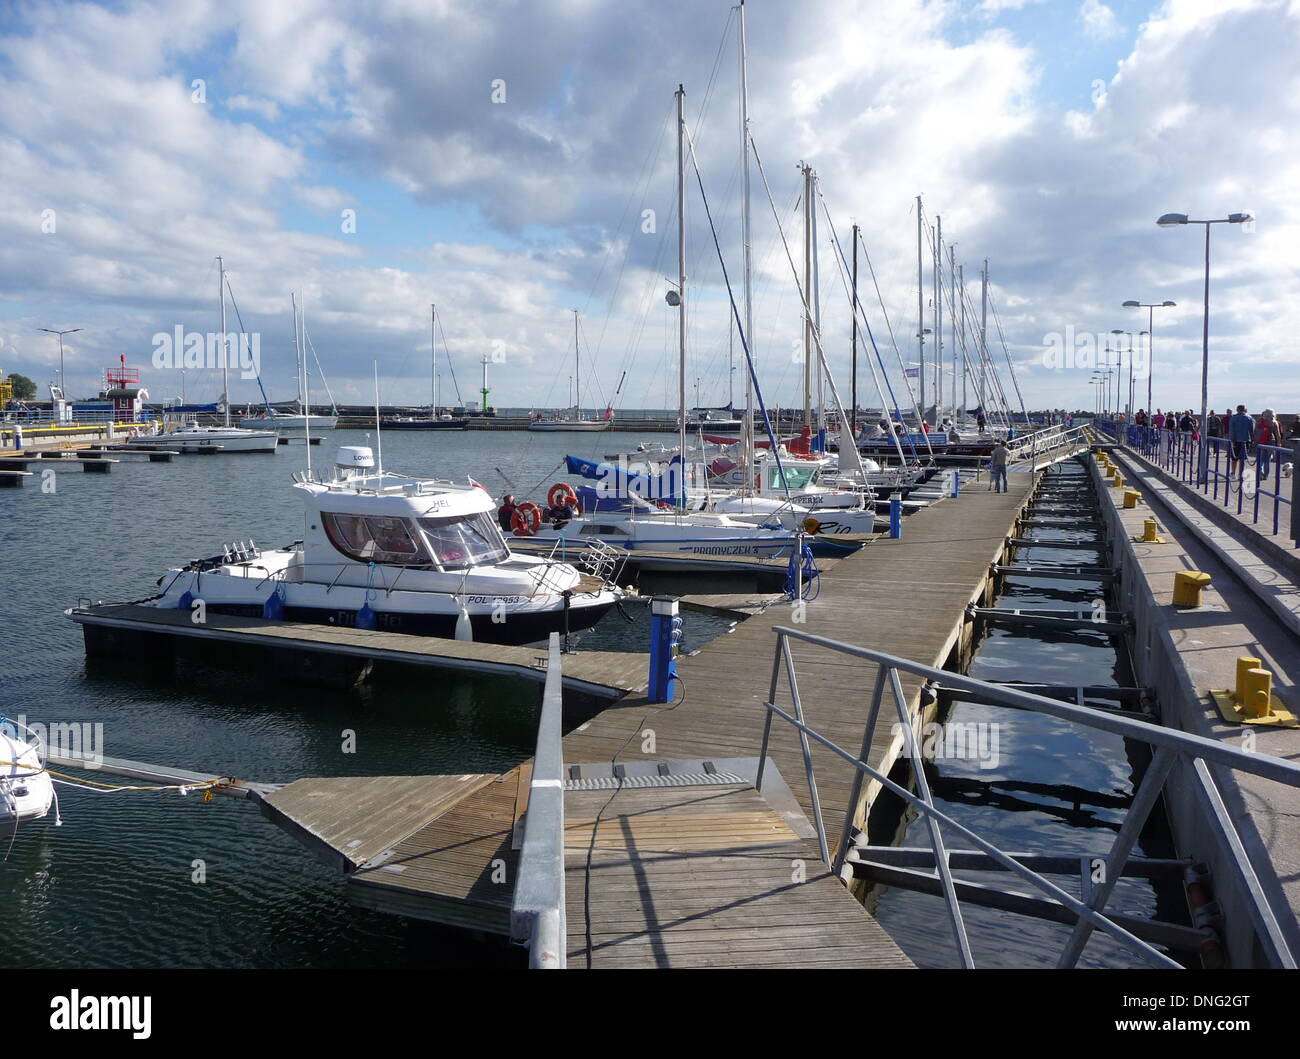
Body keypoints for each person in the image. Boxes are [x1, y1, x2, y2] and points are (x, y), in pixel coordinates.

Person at [1227, 404, 1254, 482]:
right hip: (1246, 440)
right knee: (1243, 458)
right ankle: (1240, 474)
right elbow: (1251, 431)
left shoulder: (1233, 418)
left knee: (1234, 458)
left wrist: (1232, 441)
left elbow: (1231, 431)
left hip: (1236, 441)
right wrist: (1252, 440)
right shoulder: (1249, 418)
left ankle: (1233, 473)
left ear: (1237, 410)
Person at [1256, 408, 1281, 478]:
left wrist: (1255, 440)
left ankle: (1260, 471)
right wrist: (1279, 444)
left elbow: (1256, 432)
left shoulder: (1260, 421)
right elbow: (1278, 434)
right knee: (1268, 458)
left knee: (1261, 458)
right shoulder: (1274, 422)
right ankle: (1266, 475)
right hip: (1271, 441)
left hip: (1261, 441)